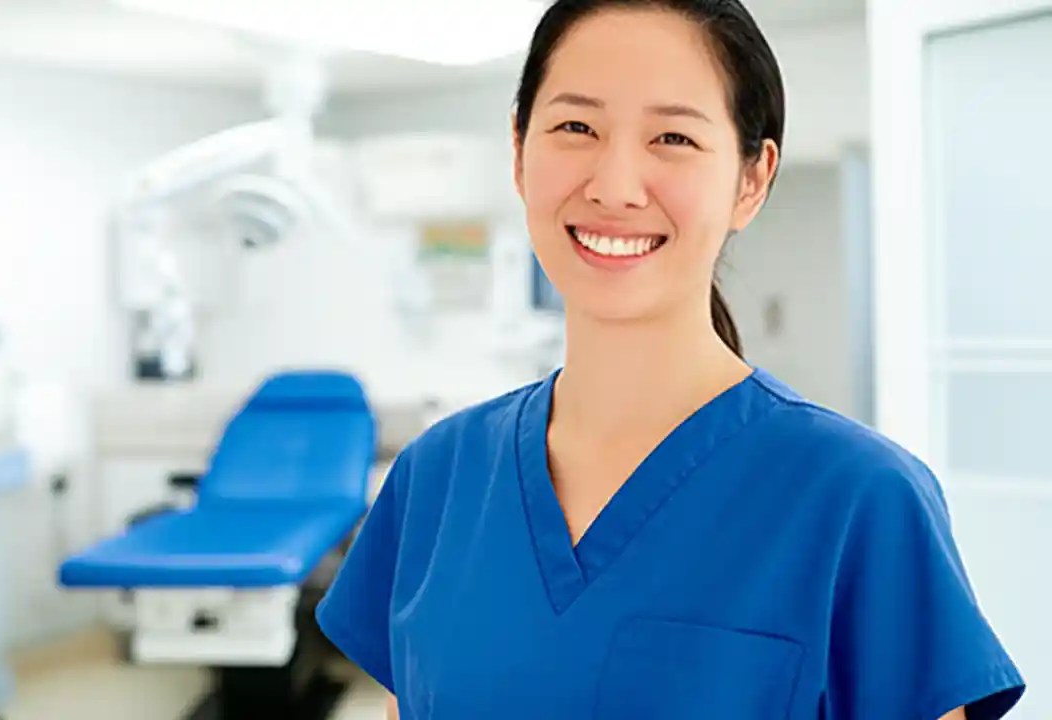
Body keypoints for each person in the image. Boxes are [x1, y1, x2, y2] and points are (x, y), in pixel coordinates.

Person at [315, 0, 1026, 717]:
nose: (615, 185)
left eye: (673, 138)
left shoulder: (860, 500)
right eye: (576, 127)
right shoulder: (436, 481)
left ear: (752, 179)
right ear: (519, 152)